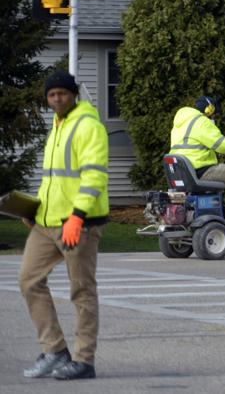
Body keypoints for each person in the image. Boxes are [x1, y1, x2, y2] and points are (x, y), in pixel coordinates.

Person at [18, 70, 109, 380]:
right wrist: (33, 209)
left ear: (73, 95)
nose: (57, 98)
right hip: (47, 223)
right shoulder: (56, 127)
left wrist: (77, 217)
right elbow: (54, 180)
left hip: (79, 224)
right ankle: (55, 350)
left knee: (82, 291)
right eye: (52, 94)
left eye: (62, 93)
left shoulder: (88, 126)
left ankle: (84, 360)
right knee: (29, 280)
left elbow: (93, 176)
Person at [168, 96, 225, 232]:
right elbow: (223, 145)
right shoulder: (201, 122)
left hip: (183, 174)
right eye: (214, 112)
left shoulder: (180, 124)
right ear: (209, 109)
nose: (214, 115)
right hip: (201, 171)